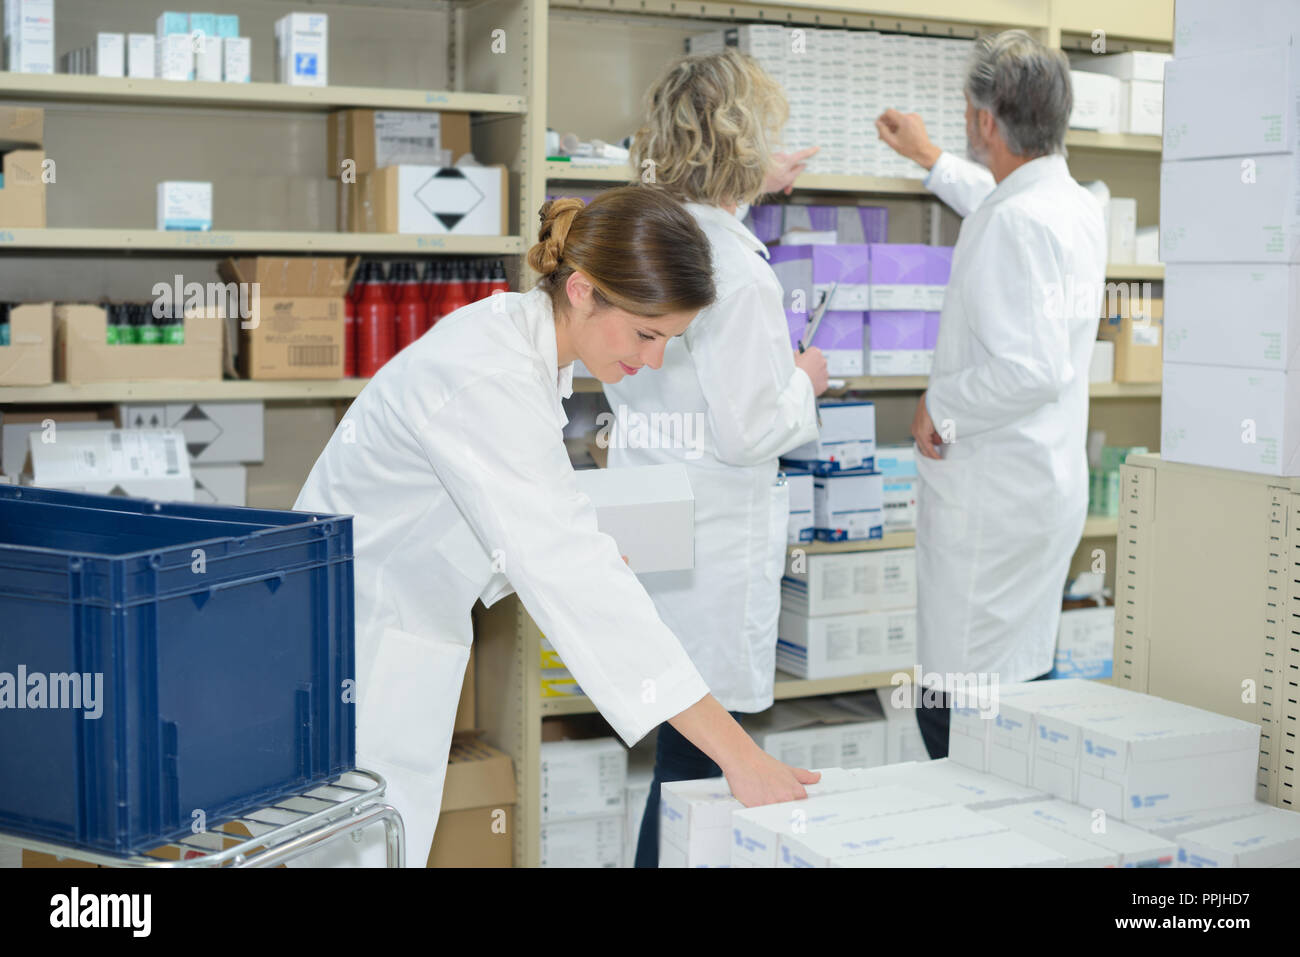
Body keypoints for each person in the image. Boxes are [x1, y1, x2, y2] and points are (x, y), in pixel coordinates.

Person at [291, 187, 819, 867]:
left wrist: (578, 544)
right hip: (356, 648)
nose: (653, 361)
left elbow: (503, 514)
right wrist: (739, 755)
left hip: (391, 634)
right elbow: (579, 584)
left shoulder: (517, 344)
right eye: (646, 334)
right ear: (581, 290)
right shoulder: (488, 374)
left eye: (669, 341)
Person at [608, 49, 830, 868]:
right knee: (699, 767)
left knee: (679, 745)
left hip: (654, 519)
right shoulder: (737, 267)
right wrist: (804, 384)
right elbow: (747, 428)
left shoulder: (651, 232)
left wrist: (755, 177)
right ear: (747, 143)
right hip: (712, 542)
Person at [875, 30, 1106, 759]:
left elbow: (1032, 366)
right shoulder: (1071, 203)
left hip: (993, 506)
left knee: (957, 714)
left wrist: (937, 405)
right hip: (1040, 488)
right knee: (1011, 694)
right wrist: (932, 160)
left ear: (983, 120)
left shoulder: (1013, 221)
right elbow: (1005, 209)